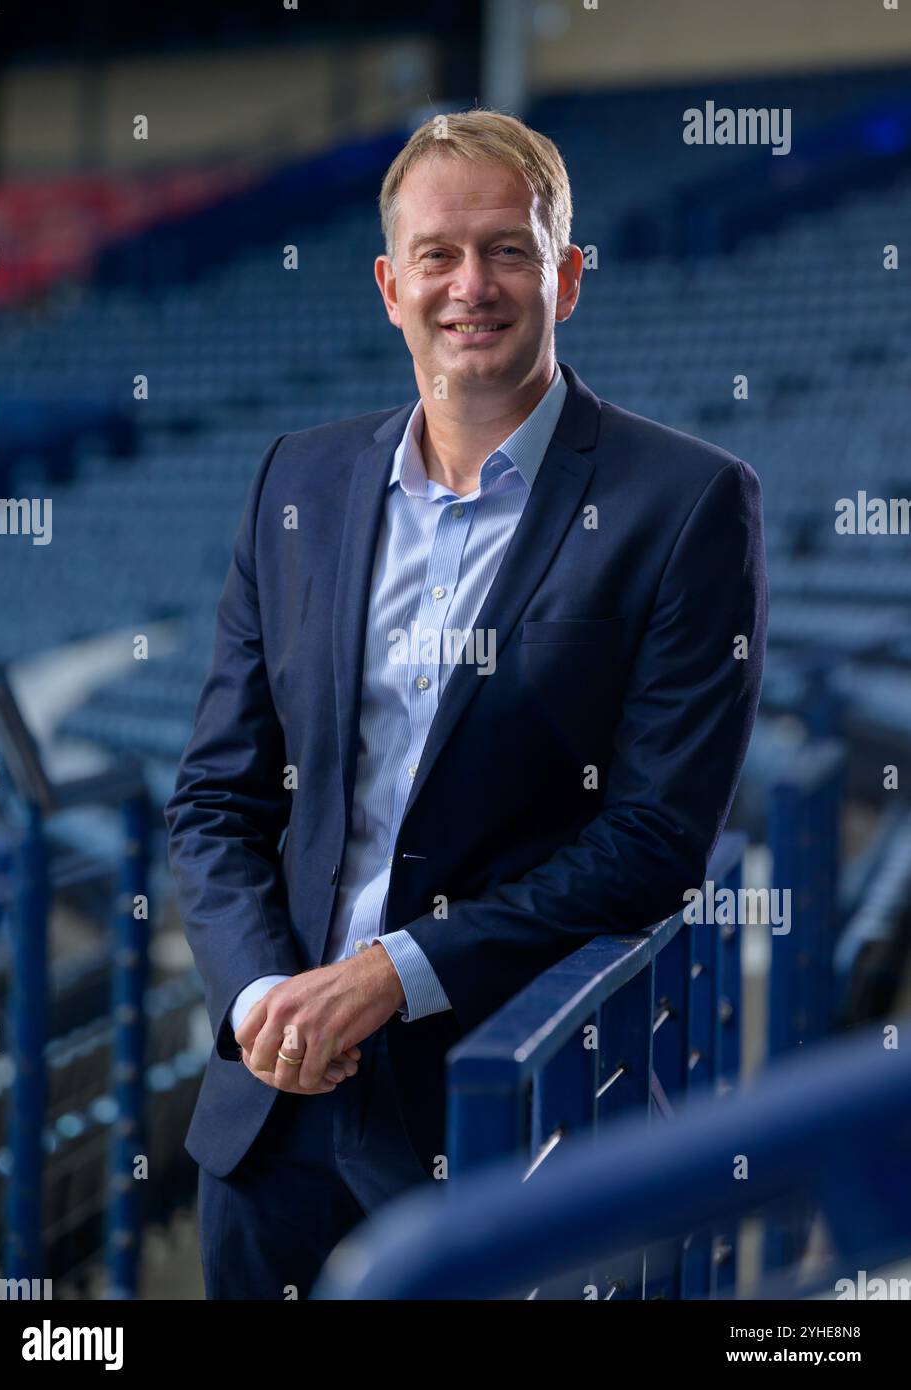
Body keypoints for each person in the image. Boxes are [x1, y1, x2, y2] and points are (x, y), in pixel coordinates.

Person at [164, 108, 768, 1300]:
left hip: (508, 1112)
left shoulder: (685, 502)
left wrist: (392, 973)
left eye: (508, 249)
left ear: (568, 275)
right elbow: (215, 798)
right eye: (438, 254)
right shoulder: (300, 480)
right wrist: (260, 1001)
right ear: (391, 285)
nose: (471, 286)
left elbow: (653, 842)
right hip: (273, 1123)